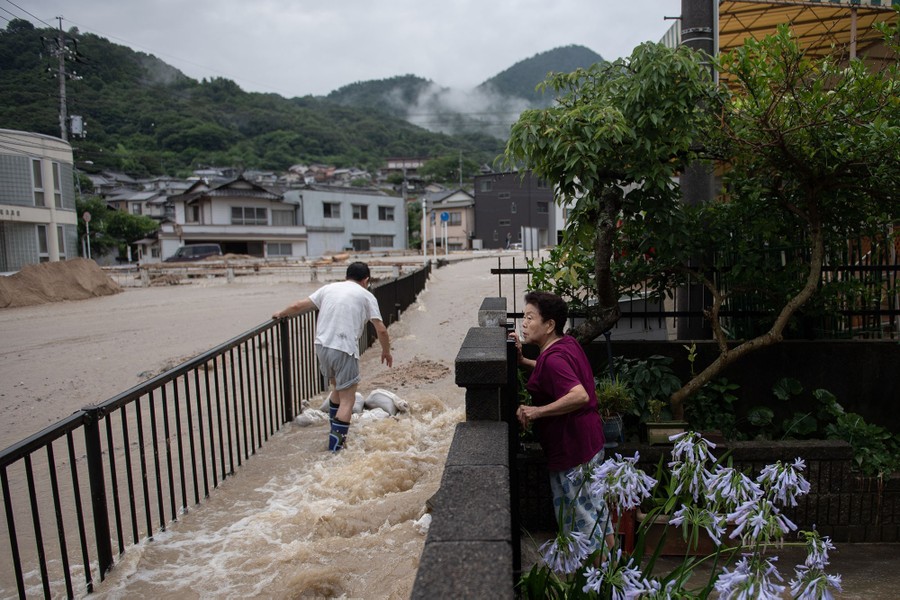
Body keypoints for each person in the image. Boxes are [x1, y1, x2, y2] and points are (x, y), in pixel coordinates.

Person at [510, 290, 615, 555]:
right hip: (588, 442)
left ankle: (600, 584)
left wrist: (537, 411)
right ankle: (616, 574)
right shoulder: (564, 344)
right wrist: (523, 361)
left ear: (549, 325)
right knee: (596, 512)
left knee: (583, 521)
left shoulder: (554, 357)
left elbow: (578, 395)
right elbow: (552, 371)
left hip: (573, 450)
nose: (524, 323)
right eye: (524, 317)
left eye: (530, 317)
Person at [273, 261, 392, 452]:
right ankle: (335, 451)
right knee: (348, 400)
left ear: (347, 276)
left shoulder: (328, 288)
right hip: (344, 348)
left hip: (322, 346)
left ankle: (333, 434)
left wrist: (280, 313)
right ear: (366, 280)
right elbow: (381, 330)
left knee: (337, 388)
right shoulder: (366, 295)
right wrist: (386, 351)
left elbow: (297, 306)